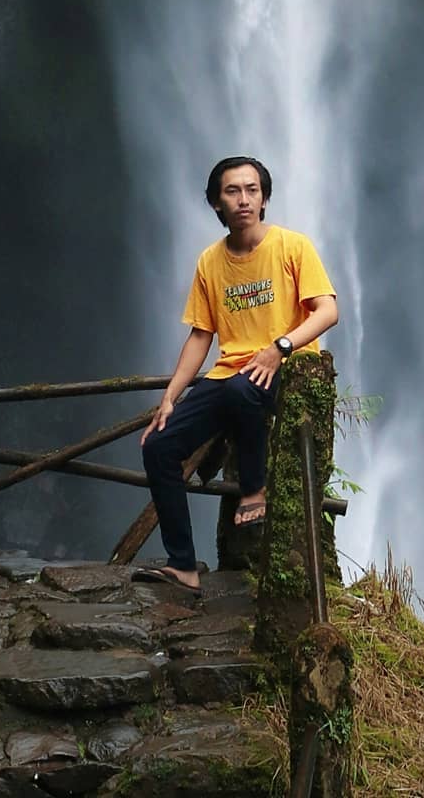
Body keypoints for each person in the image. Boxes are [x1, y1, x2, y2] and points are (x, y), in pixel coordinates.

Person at [130, 155, 338, 594]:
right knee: (159, 446)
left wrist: (279, 348)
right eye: (232, 192)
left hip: (287, 368)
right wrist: (170, 397)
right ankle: (183, 564)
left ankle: (253, 489)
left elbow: (328, 310)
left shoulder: (292, 246)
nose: (243, 200)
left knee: (244, 390)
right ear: (215, 203)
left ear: (264, 200)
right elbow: (200, 336)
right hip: (231, 376)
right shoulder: (210, 262)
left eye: (252, 191)